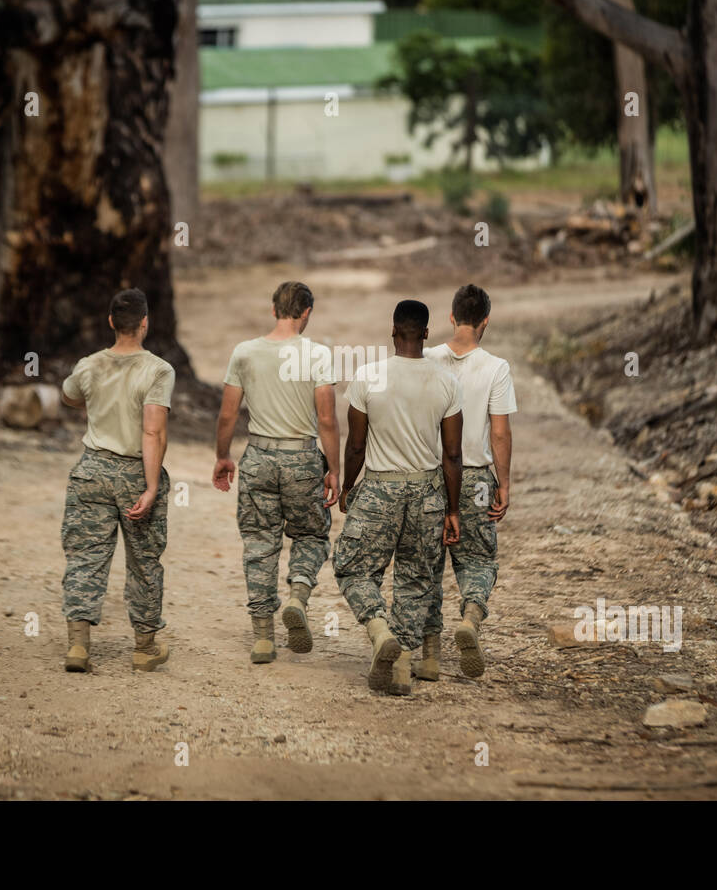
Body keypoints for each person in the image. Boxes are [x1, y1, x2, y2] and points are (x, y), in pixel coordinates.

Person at [333, 299, 463, 696]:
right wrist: (453, 509)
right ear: (426, 333)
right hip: (427, 492)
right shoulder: (446, 381)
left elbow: (355, 445)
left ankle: (378, 630)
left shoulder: (368, 376)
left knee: (352, 567)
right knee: (417, 579)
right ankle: (402, 668)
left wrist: (348, 486)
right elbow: (452, 455)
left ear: (393, 331)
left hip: (380, 487)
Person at [213, 282, 340, 663]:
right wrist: (334, 469)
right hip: (302, 459)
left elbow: (228, 414)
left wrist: (223, 456)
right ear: (306, 313)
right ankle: (298, 596)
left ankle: (263, 638)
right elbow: (328, 419)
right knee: (312, 536)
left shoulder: (245, 353)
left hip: (259, 457)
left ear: (273, 310)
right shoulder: (318, 354)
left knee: (259, 544)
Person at [58, 288, 174, 673]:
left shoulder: (89, 365)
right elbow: (153, 432)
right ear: (145, 323)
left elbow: (70, 396)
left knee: (85, 557)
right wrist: (152, 485)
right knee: (143, 560)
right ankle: (143, 648)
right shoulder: (157, 370)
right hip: (133, 472)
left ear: (110, 322)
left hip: (91, 470)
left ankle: (78, 646)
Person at [418, 285, 516, 679]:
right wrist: (503, 484)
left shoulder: (424, 359)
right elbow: (501, 433)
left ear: (451, 318)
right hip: (474, 477)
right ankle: (470, 620)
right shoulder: (496, 367)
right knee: (477, 559)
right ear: (486, 321)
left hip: (430, 474)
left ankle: (428, 658)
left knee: (425, 566)